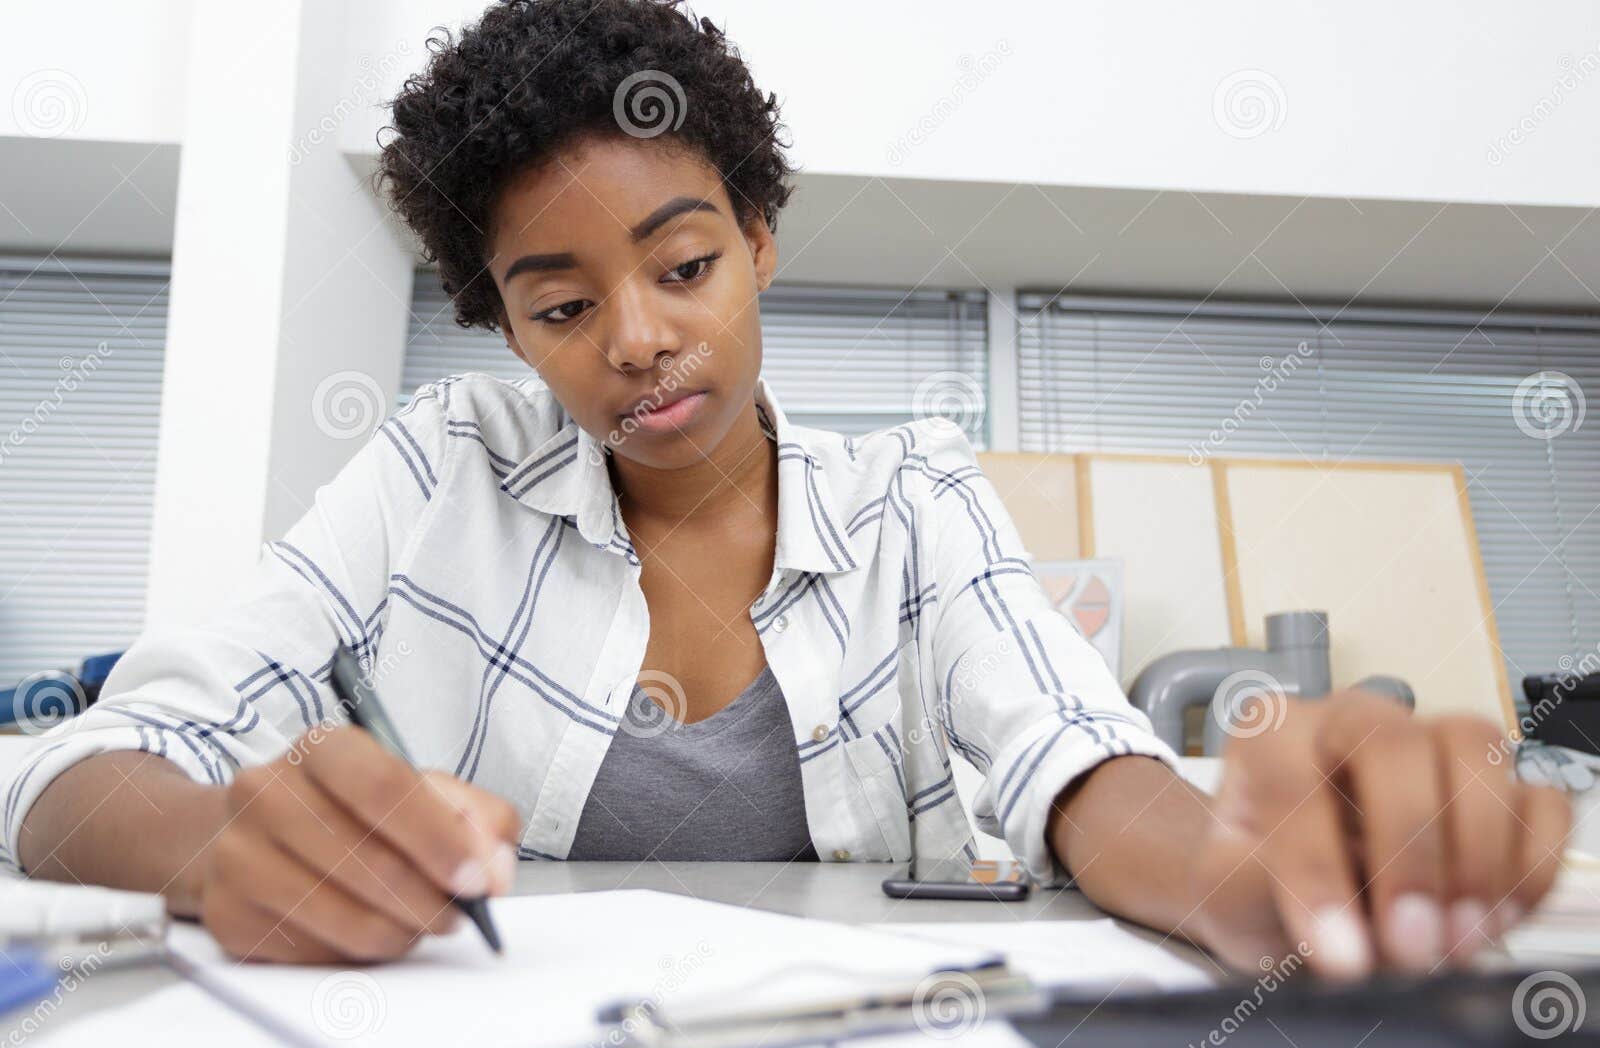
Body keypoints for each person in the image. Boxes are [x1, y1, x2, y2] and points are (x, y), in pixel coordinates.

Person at [4, 0, 1568, 976]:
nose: (637, 338)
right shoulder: (434, 471)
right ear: (501, 324)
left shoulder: (912, 501)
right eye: (559, 307)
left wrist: (1249, 874)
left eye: (684, 264)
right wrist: (216, 850)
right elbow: (91, 765)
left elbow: (1079, 763)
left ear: (759, 236)